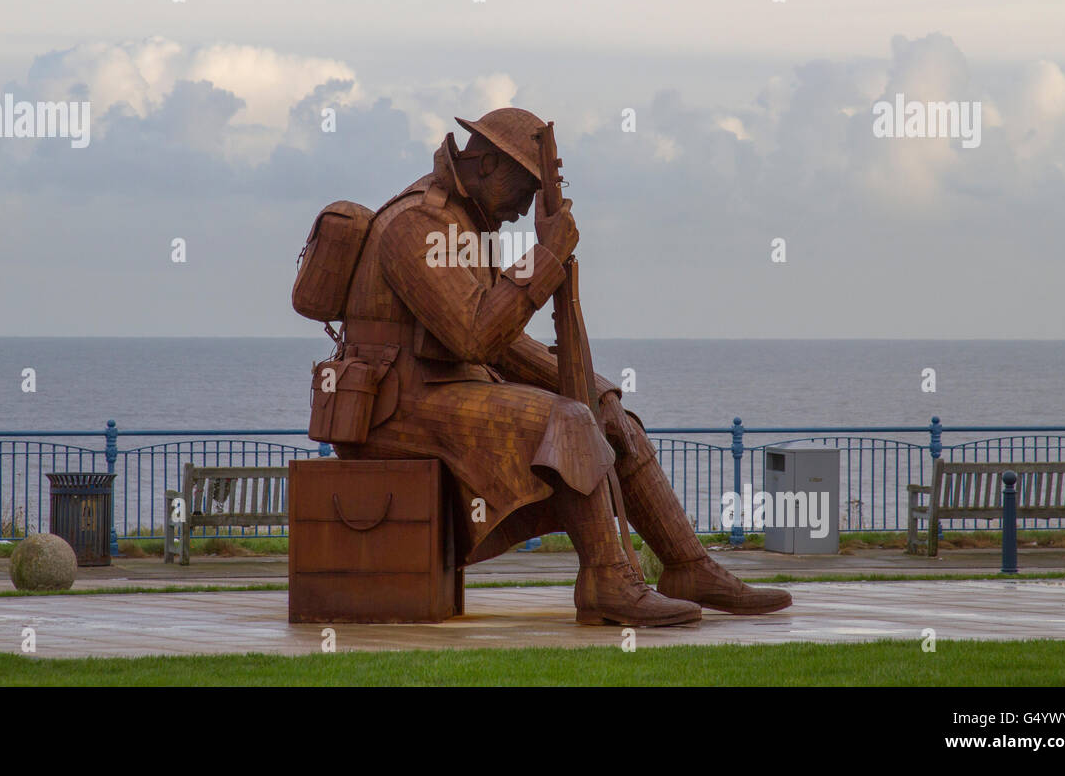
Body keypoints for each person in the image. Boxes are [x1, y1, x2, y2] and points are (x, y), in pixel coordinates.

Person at [328, 107, 791, 626]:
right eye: (524, 190)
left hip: (442, 391)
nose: (526, 209)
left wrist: (596, 390)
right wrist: (545, 256)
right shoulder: (418, 223)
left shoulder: (464, 223)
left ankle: (689, 566)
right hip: (396, 411)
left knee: (609, 415)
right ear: (485, 165)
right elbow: (476, 335)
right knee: (567, 420)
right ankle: (607, 580)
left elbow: (498, 340)